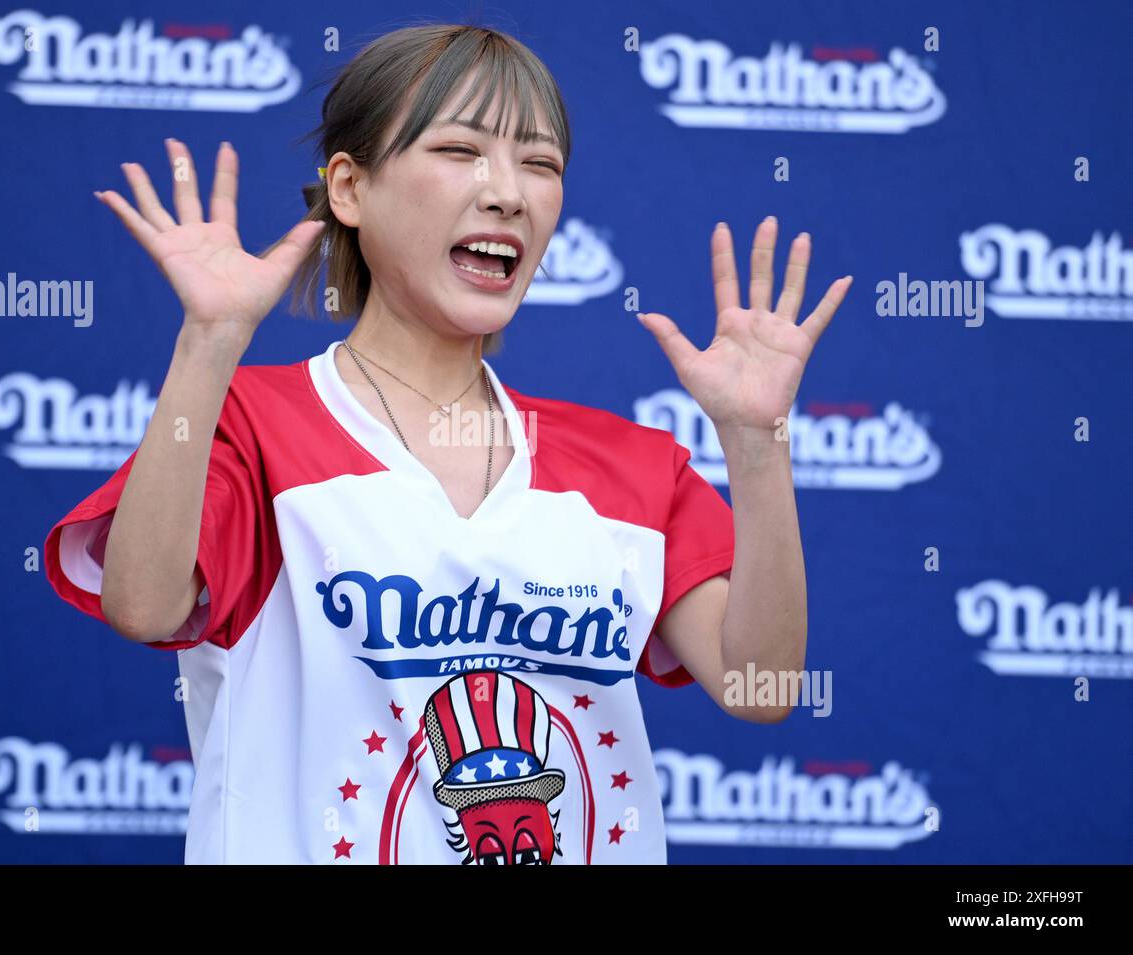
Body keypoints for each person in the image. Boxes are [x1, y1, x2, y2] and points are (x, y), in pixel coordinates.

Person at [44, 23, 852, 865]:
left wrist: (757, 442)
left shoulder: (632, 466)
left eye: (539, 163)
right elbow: (144, 607)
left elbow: (760, 687)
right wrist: (209, 342)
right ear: (349, 188)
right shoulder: (250, 424)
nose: (507, 193)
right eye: (460, 150)